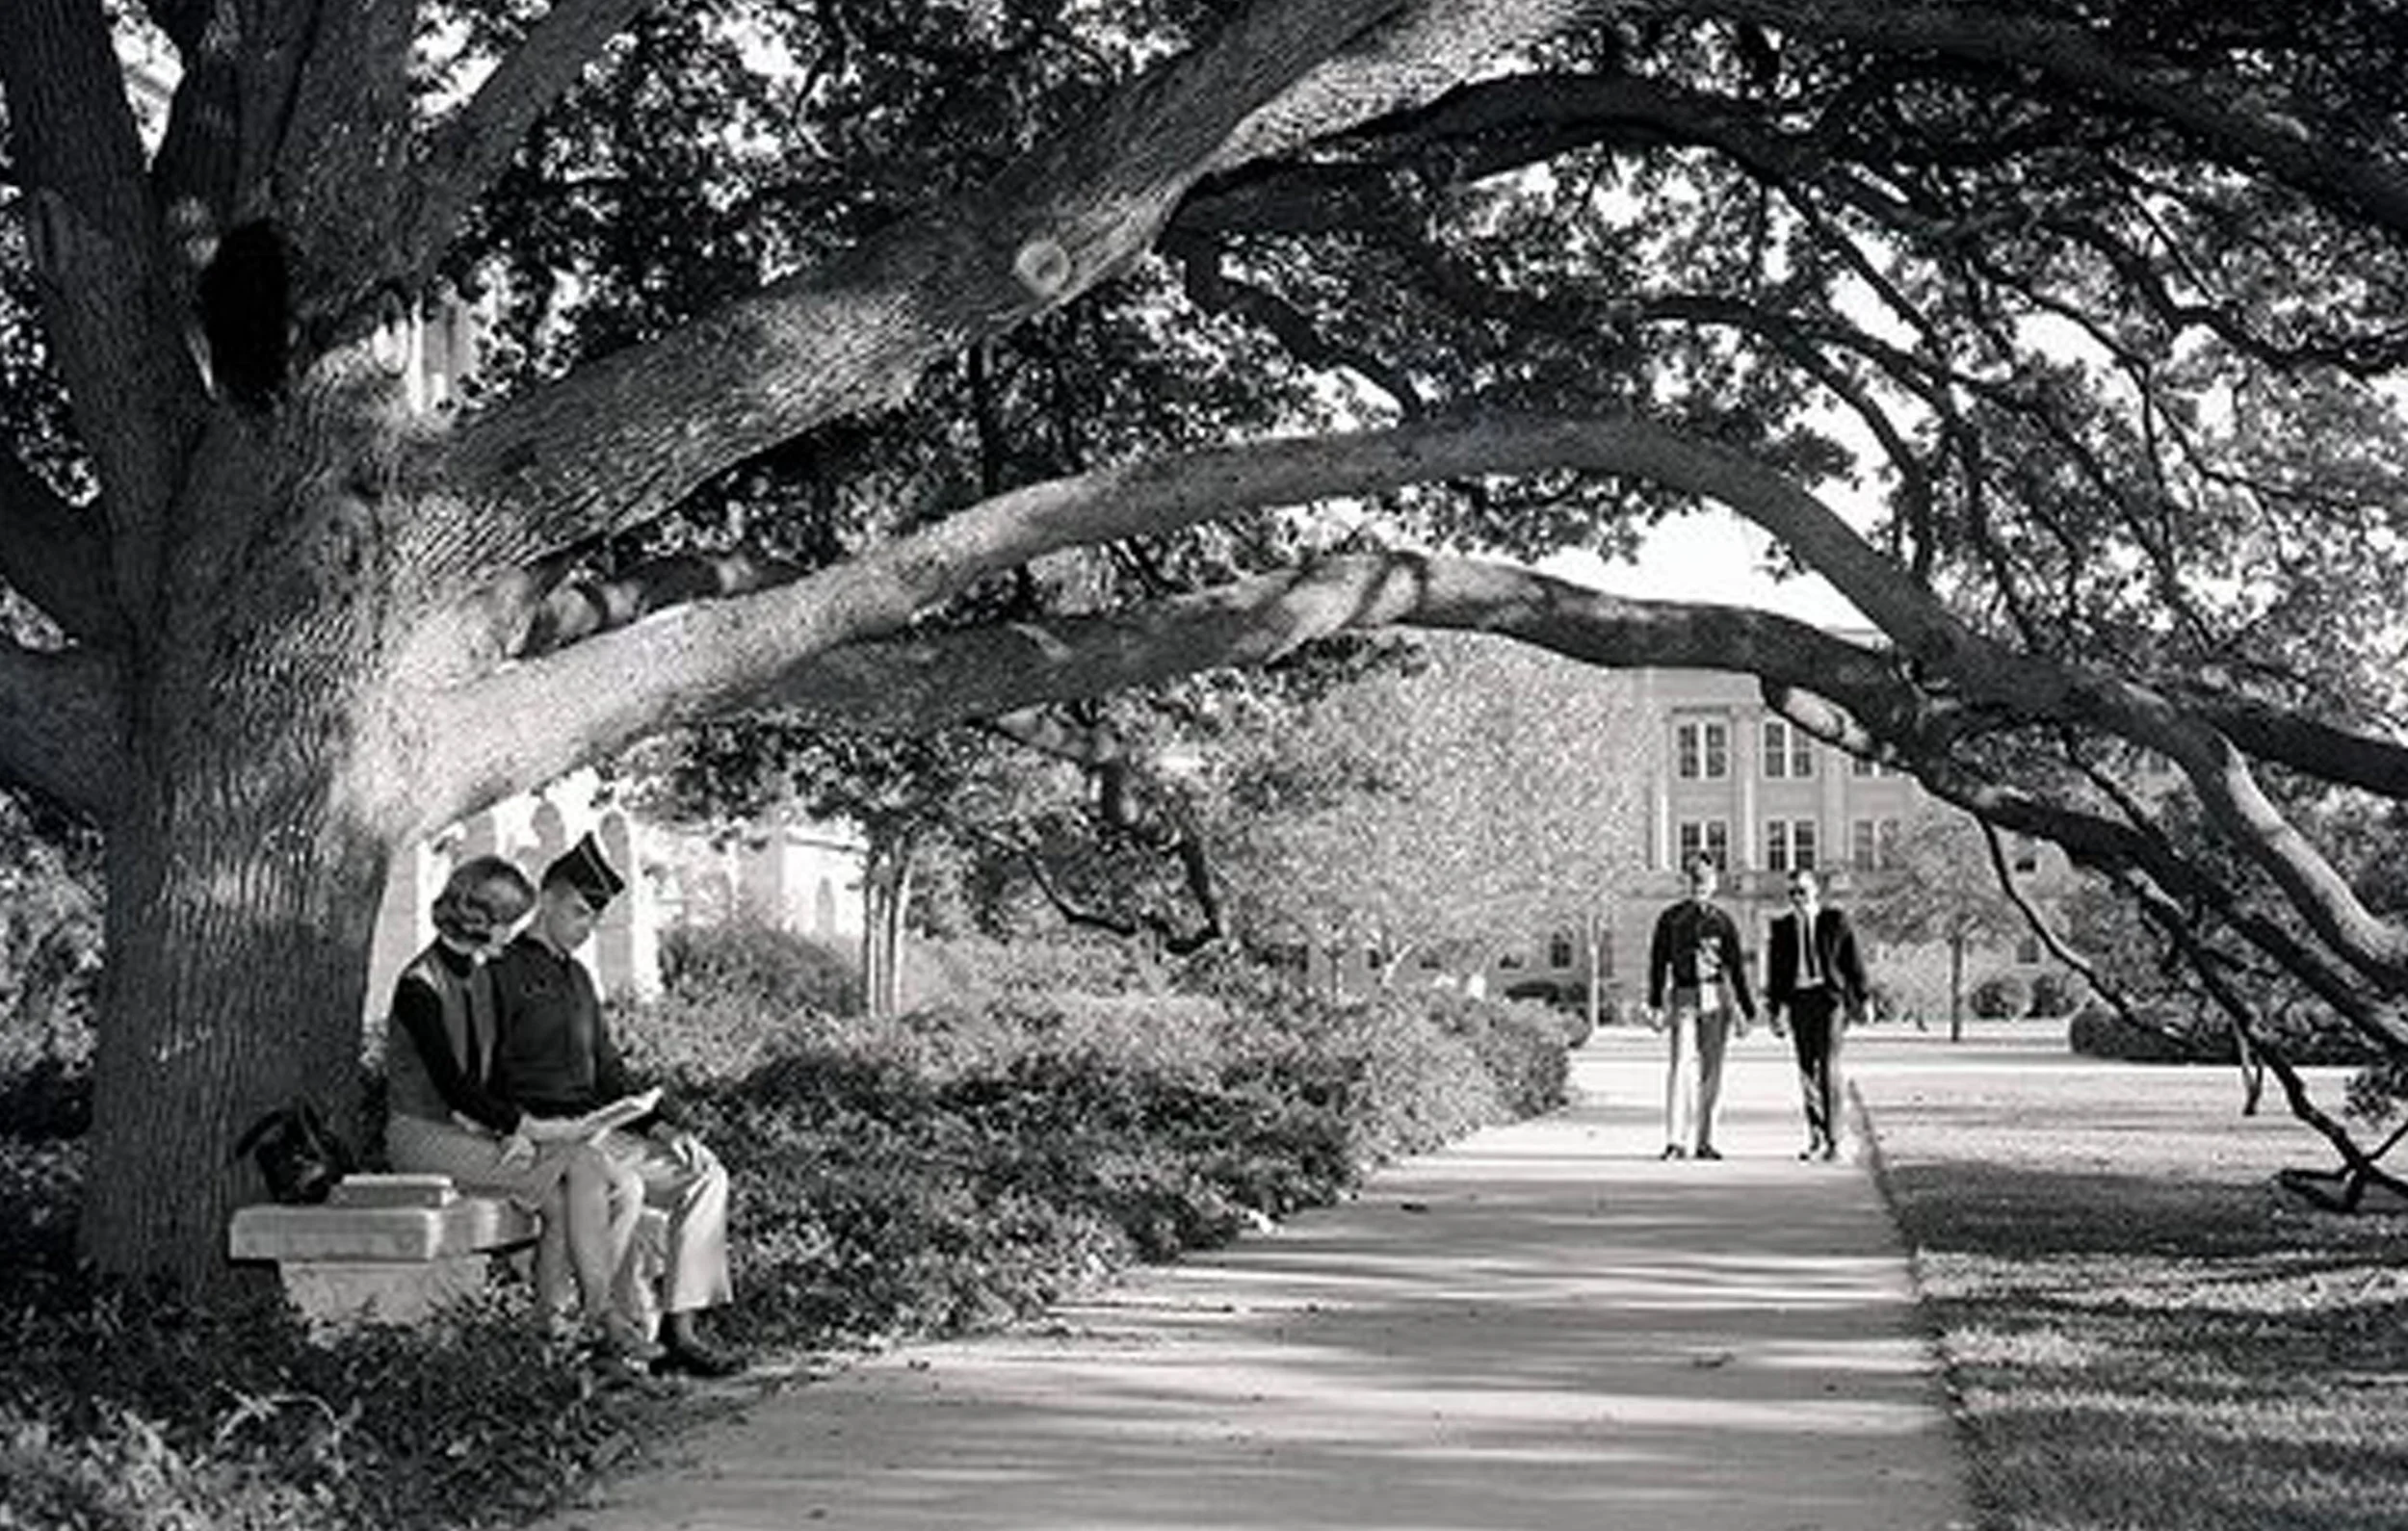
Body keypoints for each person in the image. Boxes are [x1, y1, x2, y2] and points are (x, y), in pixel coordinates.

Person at [486, 833, 746, 1379]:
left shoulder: (580, 979)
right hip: (547, 1138)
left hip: (607, 1131)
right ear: (548, 899)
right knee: (612, 1188)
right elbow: (482, 1074)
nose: (586, 930)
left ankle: (682, 1331)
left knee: (707, 1175)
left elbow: (608, 1072)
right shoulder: (499, 973)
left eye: (593, 919)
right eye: (579, 914)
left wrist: (660, 1127)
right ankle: (613, 1337)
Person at [382, 855, 653, 1363]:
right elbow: (454, 1088)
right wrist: (531, 1128)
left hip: (471, 1132)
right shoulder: (419, 984)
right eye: (511, 921)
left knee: (559, 1203)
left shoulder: (480, 975)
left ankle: (548, 1336)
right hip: (421, 1135)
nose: (516, 933)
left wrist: (512, 1132)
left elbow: (485, 1083)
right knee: (585, 1161)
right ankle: (600, 1317)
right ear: (483, 922)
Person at [1645, 854, 1756, 1160]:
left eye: (1705, 880)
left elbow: (1735, 967)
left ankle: (1706, 1140)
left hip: (1715, 994)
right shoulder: (1670, 918)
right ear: (1686, 883)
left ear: (1714, 883)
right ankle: (1675, 1140)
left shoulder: (1723, 921)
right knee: (1680, 1067)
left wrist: (1747, 1008)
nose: (1700, 886)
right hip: (1684, 994)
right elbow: (1658, 963)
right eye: (1694, 880)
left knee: (1712, 1071)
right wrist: (1655, 1001)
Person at [1765, 868, 1869, 1162]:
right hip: (1799, 1000)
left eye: (1802, 891)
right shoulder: (1782, 927)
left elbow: (1853, 961)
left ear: (1815, 891)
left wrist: (1863, 997)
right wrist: (1775, 1010)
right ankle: (1816, 1135)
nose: (1797, 897)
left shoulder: (1834, 920)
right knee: (1806, 1069)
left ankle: (1835, 1139)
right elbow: (1776, 972)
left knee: (1829, 1066)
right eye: (1792, 892)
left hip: (1828, 999)